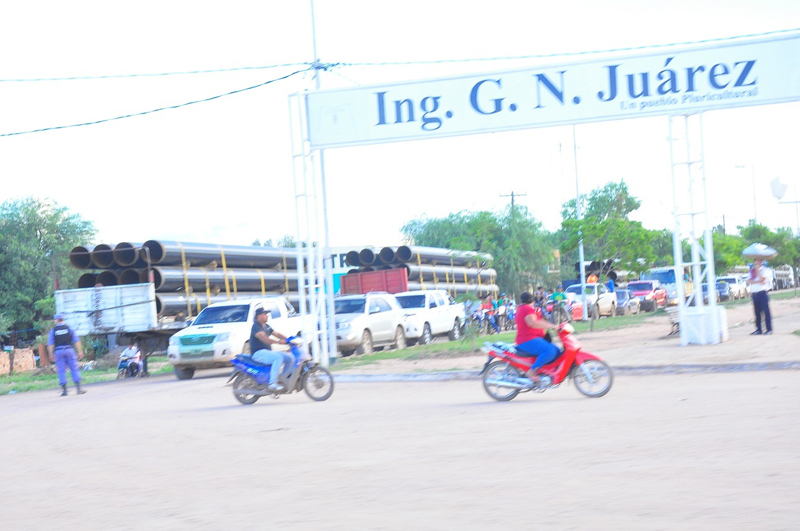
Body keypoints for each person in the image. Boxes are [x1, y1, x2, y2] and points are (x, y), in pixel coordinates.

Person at [515, 292, 560, 387]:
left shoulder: (522, 308)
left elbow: (538, 321)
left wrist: (551, 325)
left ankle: (546, 372)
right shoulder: (527, 308)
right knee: (550, 351)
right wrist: (551, 326)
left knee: (557, 350)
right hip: (528, 340)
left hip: (530, 339)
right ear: (532, 300)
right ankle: (532, 372)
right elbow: (532, 323)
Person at [250, 307, 293, 391]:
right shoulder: (256, 327)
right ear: (258, 316)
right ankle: (272, 383)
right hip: (258, 353)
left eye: (267, 314)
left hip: (266, 352)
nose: (267, 316)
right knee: (278, 358)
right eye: (265, 314)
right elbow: (265, 339)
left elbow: (277, 334)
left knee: (290, 358)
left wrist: (289, 340)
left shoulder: (266, 326)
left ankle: (283, 378)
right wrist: (279, 342)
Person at [47, 314, 86, 396]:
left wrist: (51, 354)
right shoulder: (69, 328)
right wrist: (80, 351)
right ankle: (78, 389)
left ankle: (64, 391)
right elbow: (76, 340)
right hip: (69, 350)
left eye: (54, 320)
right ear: (63, 319)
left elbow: (50, 344)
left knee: (61, 370)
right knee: (74, 368)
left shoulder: (53, 330)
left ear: (56, 320)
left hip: (59, 351)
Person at [746, 258, 773, 335]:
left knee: (766, 312)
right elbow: (748, 281)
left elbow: (762, 280)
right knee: (757, 313)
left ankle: (769, 329)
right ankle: (758, 329)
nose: (757, 262)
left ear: (761, 261)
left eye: (758, 261)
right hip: (754, 293)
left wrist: (758, 270)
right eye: (755, 261)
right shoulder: (752, 271)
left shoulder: (766, 270)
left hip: (762, 293)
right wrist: (757, 281)